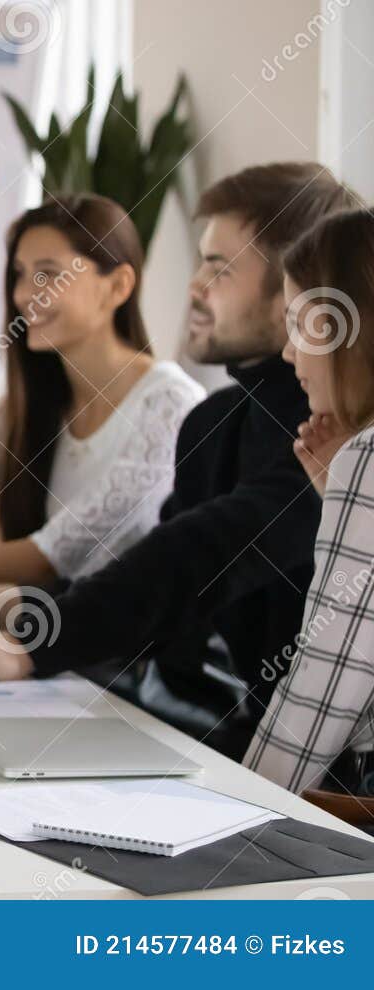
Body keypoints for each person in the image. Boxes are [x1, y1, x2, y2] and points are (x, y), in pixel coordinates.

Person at [0, 163, 361, 756]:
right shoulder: (216, 421)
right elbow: (159, 587)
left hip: (305, 773)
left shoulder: (334, 435)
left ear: (294, 292)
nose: (194, 287)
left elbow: (201, 554)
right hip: (237, 747)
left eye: (219, 268)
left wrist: (30, 642)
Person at [0, 195, 205, 585]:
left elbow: (51, 557)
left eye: (47, 274)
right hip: (35, 635)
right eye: (20, 274)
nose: (23, 295)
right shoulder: (31, 402)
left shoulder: (169, 403)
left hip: (125, 645)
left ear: (117, 286)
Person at [245, 207, 374, 794]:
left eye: (301, 323)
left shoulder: (367, 458)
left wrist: (236, 812)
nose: (290, 355)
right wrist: (337, 501)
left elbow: (323, 688)